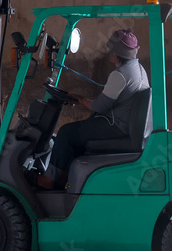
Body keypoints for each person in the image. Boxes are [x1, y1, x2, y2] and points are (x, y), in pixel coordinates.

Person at [37, 28, 150, 189]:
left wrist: (82, 99)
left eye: (112, 51)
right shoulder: (138, 69)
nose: (111, 55)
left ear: (117, 54)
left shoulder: (120, 75)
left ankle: (51, 179)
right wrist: (81, 100)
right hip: (125, 123)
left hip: (117, 126)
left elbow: (99, 106)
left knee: (66, 133)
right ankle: (63, 178)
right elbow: (109, 100)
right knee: (83, 127)